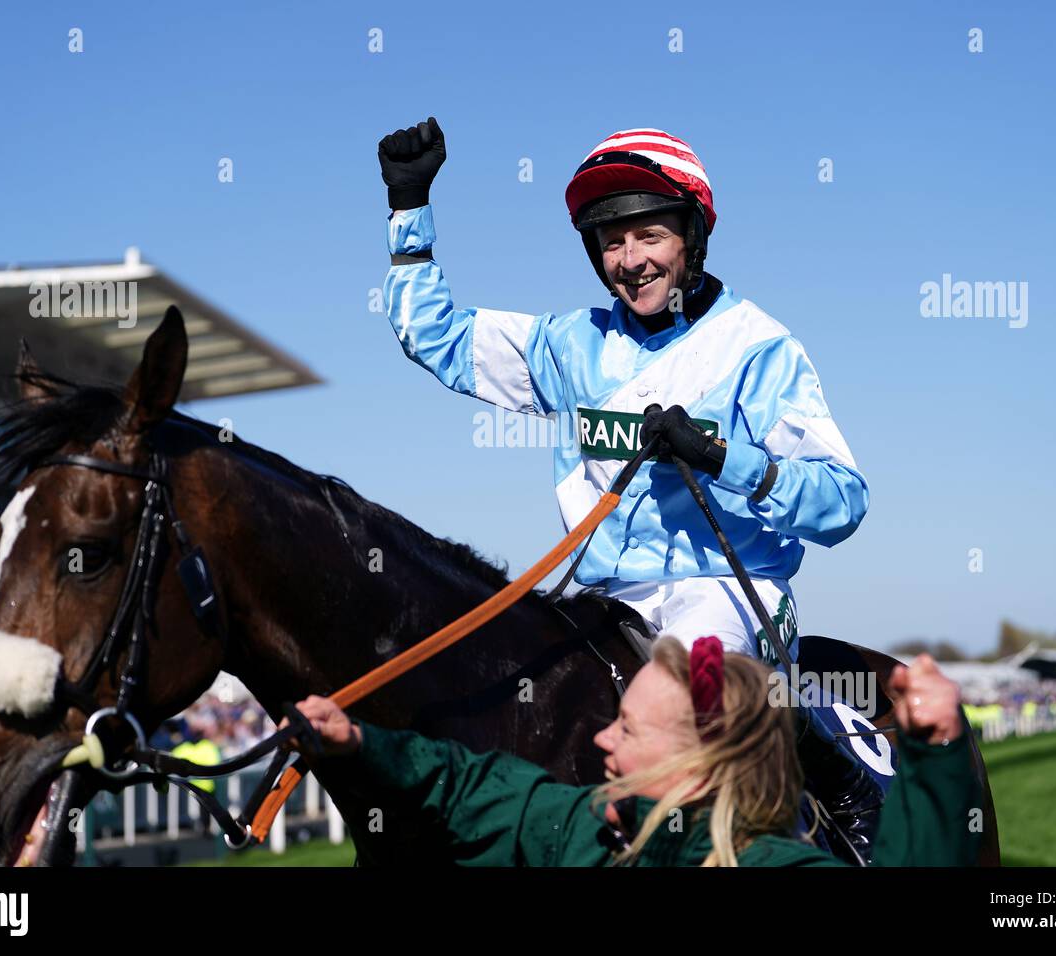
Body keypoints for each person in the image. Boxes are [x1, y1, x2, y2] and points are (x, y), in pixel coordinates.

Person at [377, 118, 868, 664]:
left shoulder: (759, 348)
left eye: (651, 236)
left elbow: (841, 503)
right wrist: (408, 207)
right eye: (613, 243)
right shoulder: (568, 344)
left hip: (727, 594)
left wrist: (719, 458)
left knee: (677, 703)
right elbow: (434, 336)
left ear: (693, 238)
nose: (631, 261)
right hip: (607, 601)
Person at [292, 645, 979, 866]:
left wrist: (936, 755)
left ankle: (848, 784)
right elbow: (476, 788)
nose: (599, 739)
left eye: (626, 727)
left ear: (702, 760)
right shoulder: (591, 827)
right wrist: (361, 741)